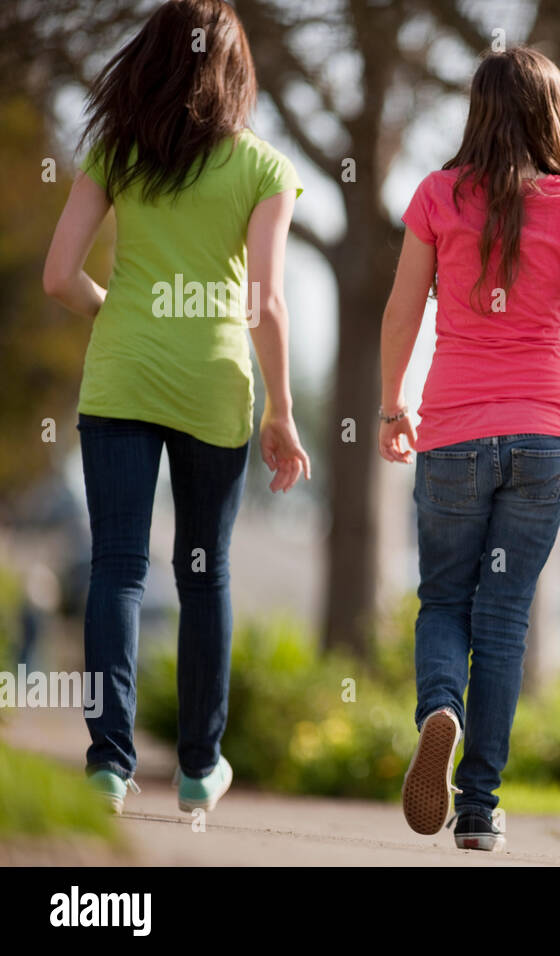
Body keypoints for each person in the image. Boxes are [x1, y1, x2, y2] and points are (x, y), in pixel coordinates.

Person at [42, 0, 311, 814]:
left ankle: (109, 765)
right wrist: (283, 412)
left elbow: (59, 276)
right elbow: (266, 300)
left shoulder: (117, 150)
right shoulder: (264, 167)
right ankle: (199, 768)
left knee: (117, 569)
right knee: (203, 575)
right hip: (212, 386)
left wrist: (115, 316)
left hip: (120, 380)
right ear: (234, 69)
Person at [378, 46, 560, 852]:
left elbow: (403, 311)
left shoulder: (434, 195)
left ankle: (439, 712)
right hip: (542, 439)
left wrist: (392, 405)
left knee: (443, 600)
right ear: (552, 114)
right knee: (503, 620)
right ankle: (481, 809)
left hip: (454, 431)